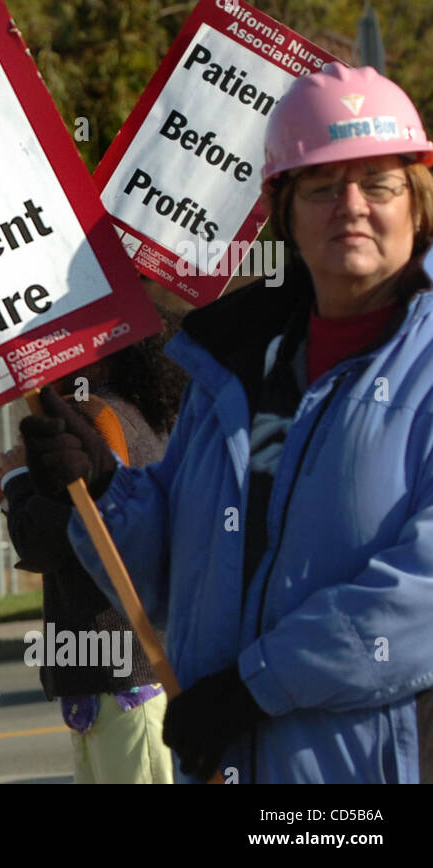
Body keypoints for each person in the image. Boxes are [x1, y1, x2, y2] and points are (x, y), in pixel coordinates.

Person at [21, 63, 433, 783]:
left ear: (418, 202)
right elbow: (173, 570)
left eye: (379, 183)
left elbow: (418, 597)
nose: (352, 207)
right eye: (323, 186)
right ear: (285, 207)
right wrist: (104, 487)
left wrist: (253, 687)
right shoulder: (232, 371)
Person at [0, 331, 185, 784]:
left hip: (117, 676)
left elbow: (42, 542)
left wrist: (17, 478)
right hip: (137, 667)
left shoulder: (84, 420)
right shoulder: (146, 414)